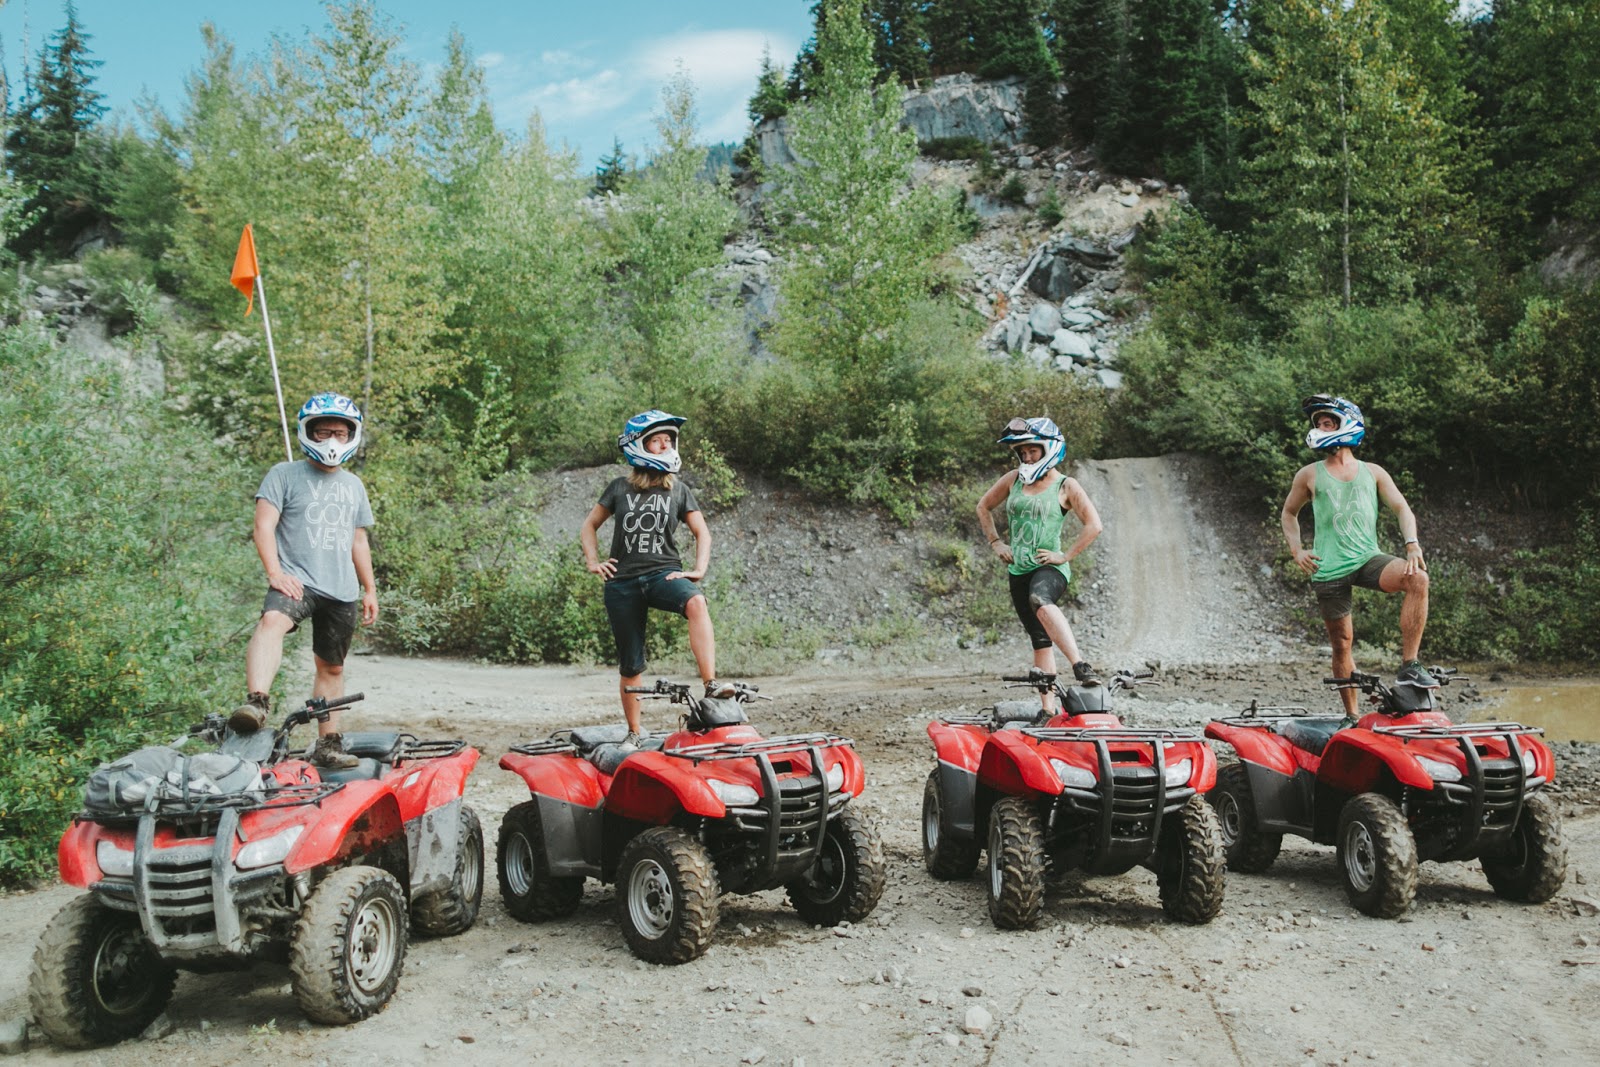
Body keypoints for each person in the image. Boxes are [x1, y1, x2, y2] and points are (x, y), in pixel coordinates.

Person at [229, 392, 379, 769]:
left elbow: (358, 539)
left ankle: (328, 743)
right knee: (272, 621)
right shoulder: (283, 474)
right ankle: (257, 702)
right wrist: (275, 573)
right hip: (297, 579)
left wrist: (370, 588)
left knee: (332, 668)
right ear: (308, 431)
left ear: (352, 436)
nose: (333, 439)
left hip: (341, 587)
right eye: (324, 431)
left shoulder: (354, 486)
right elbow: (263, 526)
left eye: (341, 433)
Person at [580, 410, 729, 746]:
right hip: (622, 583)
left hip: (663, 573)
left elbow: (702, 532)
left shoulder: (680, 491)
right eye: (657, 440)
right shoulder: (618, 488)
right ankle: (633, 733)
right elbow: (589, 526)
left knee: (696, 600)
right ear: (639, 444)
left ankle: (712, 684)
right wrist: (593, 562)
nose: (665, 445)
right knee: (631, 664)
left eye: (668, 440)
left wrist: (699, 568)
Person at [1280, 395, 1432, 719]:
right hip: (1328, 567)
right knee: (1342, 644)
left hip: (1367, 559)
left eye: (1327, 422)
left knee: (1417, 578)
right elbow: (1289, 513)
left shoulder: (1373, 472)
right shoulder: (1308, 474)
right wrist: (1297, 549)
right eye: (1318, 423)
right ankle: (1352, 717)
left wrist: (1412, 545)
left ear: (1346, 424)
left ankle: (1410, 666)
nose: (1321, 428)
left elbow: (1402, 507)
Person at [976, 416, 1104, 705]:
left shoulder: (1066, 485)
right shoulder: (1012, 480)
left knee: (1040, 599)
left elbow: (1094, 525)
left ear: (1048, 448)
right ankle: (1048, 710)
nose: (1027, 456)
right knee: (1039, 638)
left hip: (1049, 566)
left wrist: (1065, 555)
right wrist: (996, 543)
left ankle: (1080, 665)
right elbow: (983, 506)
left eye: (1032, 450)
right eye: (1022, 452)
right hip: (1017, 568)